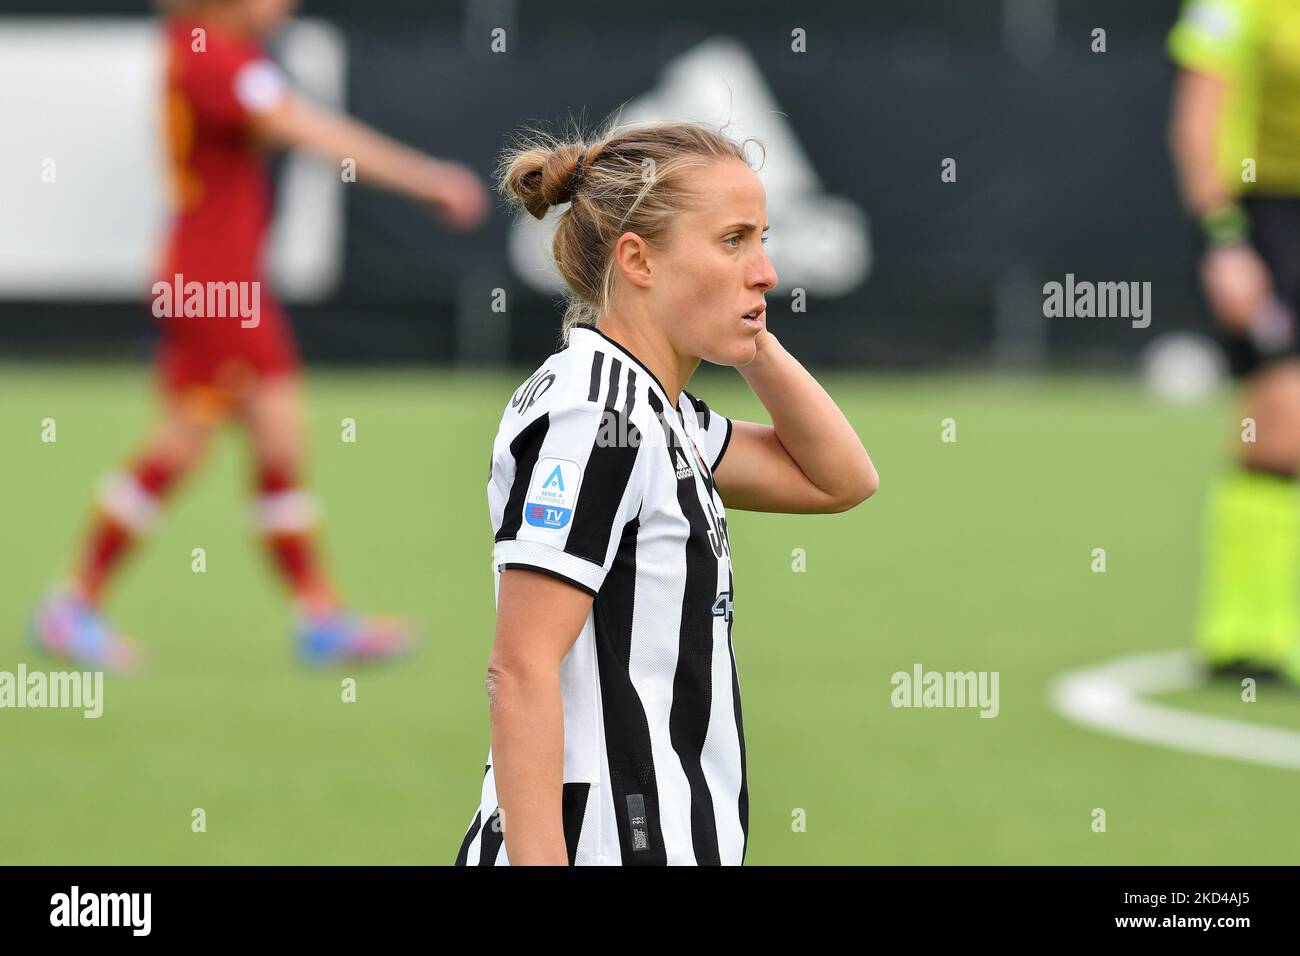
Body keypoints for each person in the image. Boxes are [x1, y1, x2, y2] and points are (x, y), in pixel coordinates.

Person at [455, 121, 878, 865]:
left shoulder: (659, 411)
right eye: (733, 241)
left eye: (764, 238)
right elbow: (519, 668)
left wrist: (750, 336)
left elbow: (840, 479)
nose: (767, 271)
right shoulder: (598, 414)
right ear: (638, 259)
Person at [30, 0, 489, 671]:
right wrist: (426, 180)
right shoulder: (215, 57)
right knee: (190, 440)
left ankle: (318, 616)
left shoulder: (206, 49)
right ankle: (73, 605)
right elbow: (311, 131)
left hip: (222, 282)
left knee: (273, 434)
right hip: (214, 288)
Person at [1168, 0, 1300, 681]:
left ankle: (1251, 637)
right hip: (1263, 219)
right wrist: (1223, 242)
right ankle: (1246, 637)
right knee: (1283, 421)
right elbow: (1198, 117)